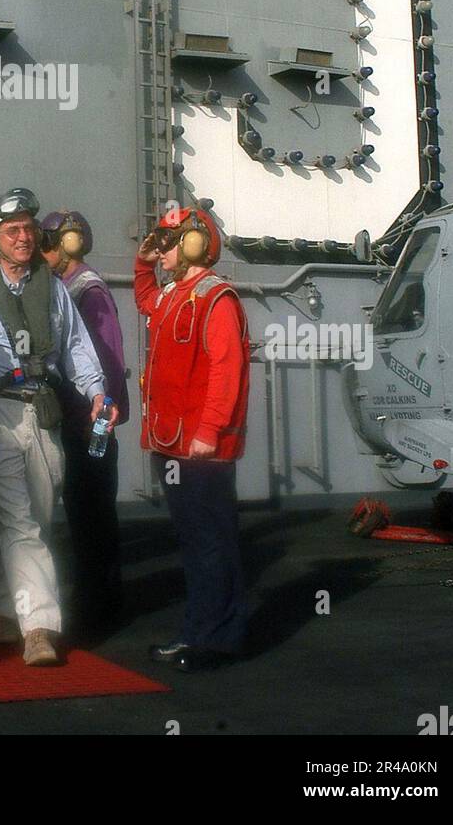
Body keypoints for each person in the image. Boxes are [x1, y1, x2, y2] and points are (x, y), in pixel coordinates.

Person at [0, 188, 113, 667]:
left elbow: (76, 345)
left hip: (43, 412)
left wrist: (97, 391)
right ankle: (38, 627)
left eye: (28, 230)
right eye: (12, 230)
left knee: (37, 519)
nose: (23, 238)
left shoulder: (53, 288)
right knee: (21, 522)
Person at [134, 205, 250, 673]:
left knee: (211, 544)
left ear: (193, 244)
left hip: (201, 448)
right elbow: (144, 297)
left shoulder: (216, 298)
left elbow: (228, 371)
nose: (160, 252)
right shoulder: (172, 296)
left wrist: (208, 430)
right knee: (194, 543)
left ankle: (217, 640)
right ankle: (196, 632)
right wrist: (144, 262)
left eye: (166, 243)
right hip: (172, 443)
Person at [41, 209, 128, 633]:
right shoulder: (65, 287)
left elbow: (107, 357)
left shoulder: (87, 291)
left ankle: (100, 601)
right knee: (82, 510)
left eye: (47, 245)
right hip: (76, 418)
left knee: (92, 511)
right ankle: (94, 594)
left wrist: (101, 416)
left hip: (90, 422)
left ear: (63, 247)